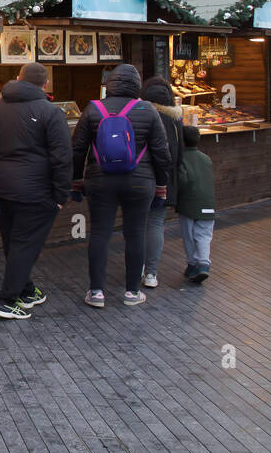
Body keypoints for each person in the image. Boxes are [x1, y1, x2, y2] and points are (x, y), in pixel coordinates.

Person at [70, 63, 172, 307]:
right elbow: (162, 153)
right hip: (140, 182)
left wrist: (76, 180)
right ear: (136, 85)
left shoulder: (93, 109)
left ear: (110, 85)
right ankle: (132, 293)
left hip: (100, 181)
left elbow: (77, 149)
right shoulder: (147, 110)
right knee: (135, 234)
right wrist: (162, 184)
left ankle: (96, 292)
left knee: (100, 234)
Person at [0, 62, 72, 320]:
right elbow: (62, 158)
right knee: (25, 244)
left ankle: (26, 290)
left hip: (1, 187)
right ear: (45, 85)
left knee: (14, 241)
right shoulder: (50, 112)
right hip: (36, 190)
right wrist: (61, 194)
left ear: (18, 78)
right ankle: (7, 301)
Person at [138, 76, 183, 288]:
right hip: (164, 180)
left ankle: (136, 267)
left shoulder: (139, 115)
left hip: (140, 178)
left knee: (137, 224)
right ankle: (151, 274)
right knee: (156, 225)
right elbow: (179, 155)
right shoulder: (175, 121)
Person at [176, 126, 215, 283]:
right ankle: (204, 264)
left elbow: (182, 181)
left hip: (189, 203)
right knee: (204, 235)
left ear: (182, 141)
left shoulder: (182, 159)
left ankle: (192, 264)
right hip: (208, 202)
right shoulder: (206, 158)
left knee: (189, 235)